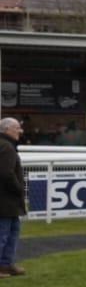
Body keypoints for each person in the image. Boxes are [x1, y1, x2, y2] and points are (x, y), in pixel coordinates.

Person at [0, 118, 25, 277]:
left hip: (7, 200)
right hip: (6, 200)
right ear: (7, 129)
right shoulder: (7, 147)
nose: (20, 131)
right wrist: (19, 189)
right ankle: (3, 265)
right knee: (4, 233)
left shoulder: (6, 145)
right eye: (17, 128)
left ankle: (6, 264)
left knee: (12, 231)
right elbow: (6, 173)